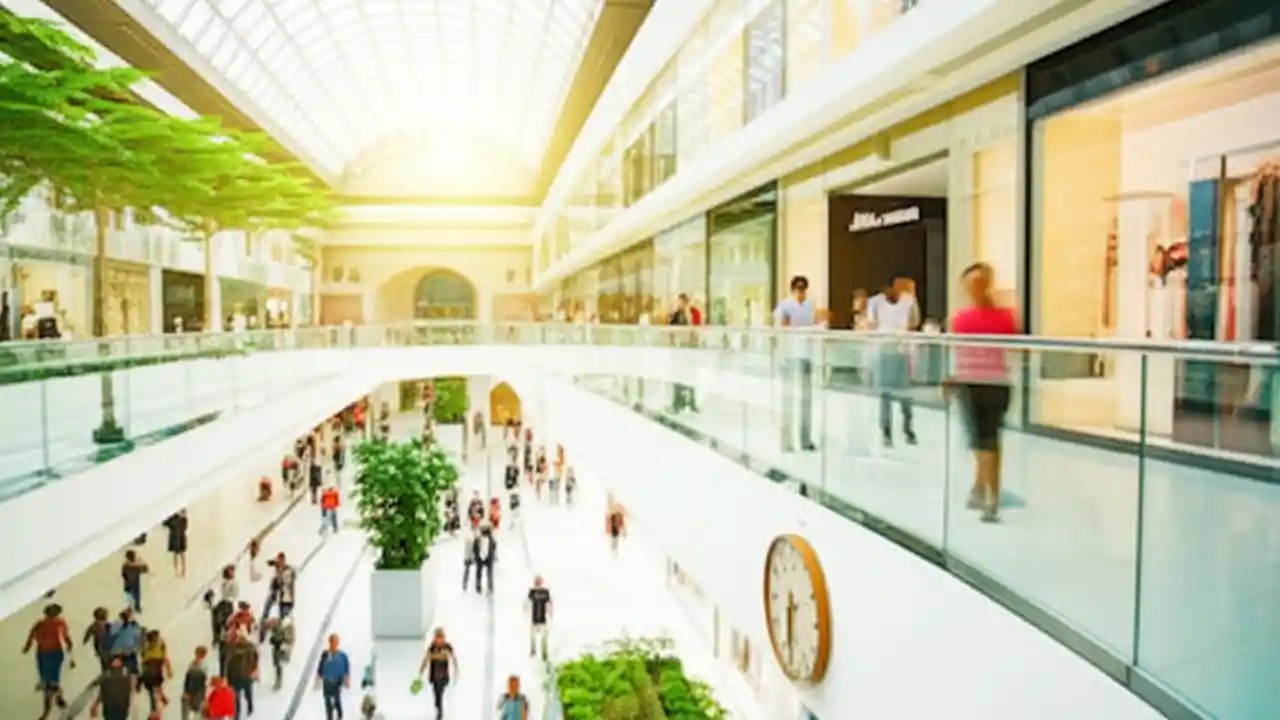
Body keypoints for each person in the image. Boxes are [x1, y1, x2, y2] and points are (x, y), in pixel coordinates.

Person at [946, 262, 1019, 523]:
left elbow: (1016, 346)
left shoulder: (1005, 316)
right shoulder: (961, 318)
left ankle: (991, 496)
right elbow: (955, 351)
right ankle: (981, 489)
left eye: (979, 281)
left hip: (994, 383)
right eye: (970, 282)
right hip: (969, 382)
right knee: (981, 440)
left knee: (987, 440)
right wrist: (951, 379)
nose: (975, 286)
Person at [867, 273, 920, 447]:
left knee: (905, 394)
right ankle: (886, 431)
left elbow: (914, 322)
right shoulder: (875, 302)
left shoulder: (909, 301)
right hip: (883, 351)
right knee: (885, 394)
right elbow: (870, 325)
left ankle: (908, 429)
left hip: (902, 352)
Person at [773, 275, 819, 452]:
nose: (801, 292)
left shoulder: (810, 305)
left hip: (806, 356)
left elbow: (814, 323)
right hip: (789, 357)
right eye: (798, 289)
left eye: (804, 289)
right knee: (788, 400)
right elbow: (780, 327)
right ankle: (786, 442)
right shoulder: (785, 305)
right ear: (792, 289)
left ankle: (805, 440)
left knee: (806, 400)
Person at [24, 602, 72, 718]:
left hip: (51, 654)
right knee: (50, 679)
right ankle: (58, 697)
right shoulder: (45, 624)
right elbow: (66, 637)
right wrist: (28, 645)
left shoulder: (56, 623)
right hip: (47, 654)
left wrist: (28, 646)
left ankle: (47, 710)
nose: (51, 618)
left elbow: (65, 637)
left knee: (49, 682)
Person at [667, 293, 698, 412]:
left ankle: (691, 402)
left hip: (688, 350)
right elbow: (671, 332)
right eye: (678, 302)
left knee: (690, 376)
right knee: (678, 376)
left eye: (681, 302)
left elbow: (694, 330)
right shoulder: (675, 315)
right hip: (678, 351)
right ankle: (678, 402)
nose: (679, 304)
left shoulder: (690, 314)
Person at [417, 629, 458, 720]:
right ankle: (438, 706)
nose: (439, 640)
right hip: (434, 676)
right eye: (437, 637)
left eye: (441, 637)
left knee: (440, 692)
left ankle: (440, 712)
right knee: (436, 693)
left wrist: (456, 670)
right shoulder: (432, 648)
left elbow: (452, 657)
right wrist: (421, 671)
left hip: (444, 676)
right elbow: (426, 659)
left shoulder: (447, 647)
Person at [223, 629, 258, 719]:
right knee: (237, 698)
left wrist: (253, 670)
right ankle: (238, 715)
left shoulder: (249, 648)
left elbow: (254, 661)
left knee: (246, 694)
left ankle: (249, 708)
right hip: (238, 677)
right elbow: (228, 663)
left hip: (243, 676)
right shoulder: (234, 648)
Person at [316, 633, 350, 720]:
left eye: (335, 642)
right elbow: (320, 667)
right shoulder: (325, 654)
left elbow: (346, 668)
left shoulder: (342, 655)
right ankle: (329, 717)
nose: (333, 644)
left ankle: (339, 716)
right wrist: (318, 679)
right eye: (332, 642)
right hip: (327, 681)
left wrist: (347, 680)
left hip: (337, 681)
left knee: (336, 700)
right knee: (327, 701)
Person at [90, 655, 134, 720]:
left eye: (119, 661)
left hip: (121, 704)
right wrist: (96, 703)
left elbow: (129, 686)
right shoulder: (107, 673)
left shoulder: (125, 672)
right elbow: (101, 689)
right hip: (111, 705)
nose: (117, 662)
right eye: (115, 661)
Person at [140, 628, 173, 712]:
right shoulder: (160, 644)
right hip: (155, 669)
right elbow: (165, 658)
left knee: (153, 690)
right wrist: (169, 670)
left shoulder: (148, 645)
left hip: (151, 669)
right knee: (156, 688)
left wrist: (168, 669)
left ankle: (155, 707)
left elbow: (143, 659)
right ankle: (161, 701)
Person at [108, 608, 144, 678]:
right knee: (132, 670)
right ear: (130, 616)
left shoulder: (117, 624)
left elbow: (111, 636)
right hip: (128, 650)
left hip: (117, 650)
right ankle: (133, 682)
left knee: (121, 667)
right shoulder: (134, 625)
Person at [526, 577, 552, 660]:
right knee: (533, 636)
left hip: (542, 619)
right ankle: (533, 651)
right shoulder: (533, 591)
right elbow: (527, 602)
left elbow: (549, 603)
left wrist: (550, 613)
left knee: (544, 637)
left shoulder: (545, 592)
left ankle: (544, 653)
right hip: (534, 619)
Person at [181, 646, 210, 720]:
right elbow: (187, 679)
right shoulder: (193, 665)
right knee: (188, 713)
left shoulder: (203, 667)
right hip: (192, 692)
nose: (196, 655)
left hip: (198, 693)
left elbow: (205, 683)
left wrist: (205, 696)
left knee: (197, 713)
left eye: (198, 653)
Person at [267, 616, 295, 690]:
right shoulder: (277, 628)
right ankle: (278, 681)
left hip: (282, 649)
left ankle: (278, 683)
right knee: (277, 665)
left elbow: (288, 640)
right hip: (278, 648)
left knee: (279, 666)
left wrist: (276, 639)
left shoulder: (285, 629)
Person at [84, 606, 111, 671]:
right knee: (107, 664)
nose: (107, 616)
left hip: (101, 648)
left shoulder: (95, 625)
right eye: (106, 614)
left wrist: (86, 639)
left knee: (105, 665)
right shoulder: (102, 624)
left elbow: (87, 634)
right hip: (105, 648)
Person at [121, 549, 149, 613]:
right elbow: (145, 569)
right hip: (135, 583)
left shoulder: (125, 565)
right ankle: (137, 608)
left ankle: (130, 609)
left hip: (128, 584)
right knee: (136, 596)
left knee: (129, 598)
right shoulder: (137, 565)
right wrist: (142, 562)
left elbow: (123, 574)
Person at [164, 510, 189, 578]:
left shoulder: (175, 519)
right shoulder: (183, 520)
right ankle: (182, 571)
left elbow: (166, 523)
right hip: (181, 537)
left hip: (175, 538)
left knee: (176, 555)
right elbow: (185, 527)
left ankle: (177, 571)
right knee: (181, 554)